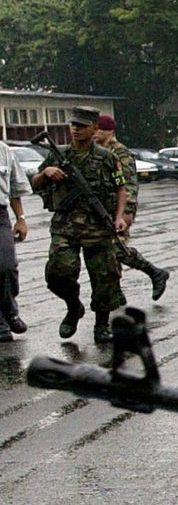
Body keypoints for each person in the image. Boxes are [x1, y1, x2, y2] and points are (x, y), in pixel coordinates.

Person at [31, 106, 127, 343]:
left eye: (82, 126)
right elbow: (35, 183)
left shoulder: (107, 158)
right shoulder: (58, 155)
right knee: (57, 274)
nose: (76, 129)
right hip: (65, 227)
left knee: (104, 278)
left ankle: (101, 325)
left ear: (94, 129)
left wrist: (119, 217)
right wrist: (46, 173)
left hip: (97, 228)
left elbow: (120, 187)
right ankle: (73, 307)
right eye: (73, 125)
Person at [95, 115, 171, 299]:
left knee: (116, 249)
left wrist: (127, 211)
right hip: (101, 209)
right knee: (105, 253)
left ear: (109, 131)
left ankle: (154, 272)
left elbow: (128, 183)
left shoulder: (120, 152)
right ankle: (116, 292)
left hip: (118, 210)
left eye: (99, 130)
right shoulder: (96, 151)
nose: (95, 133)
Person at [0, 140, 32, 342]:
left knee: (7, 266)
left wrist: (21, 218)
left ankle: (9, 309)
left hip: (0, 215)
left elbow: (14, 189)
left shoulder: (3, 151)